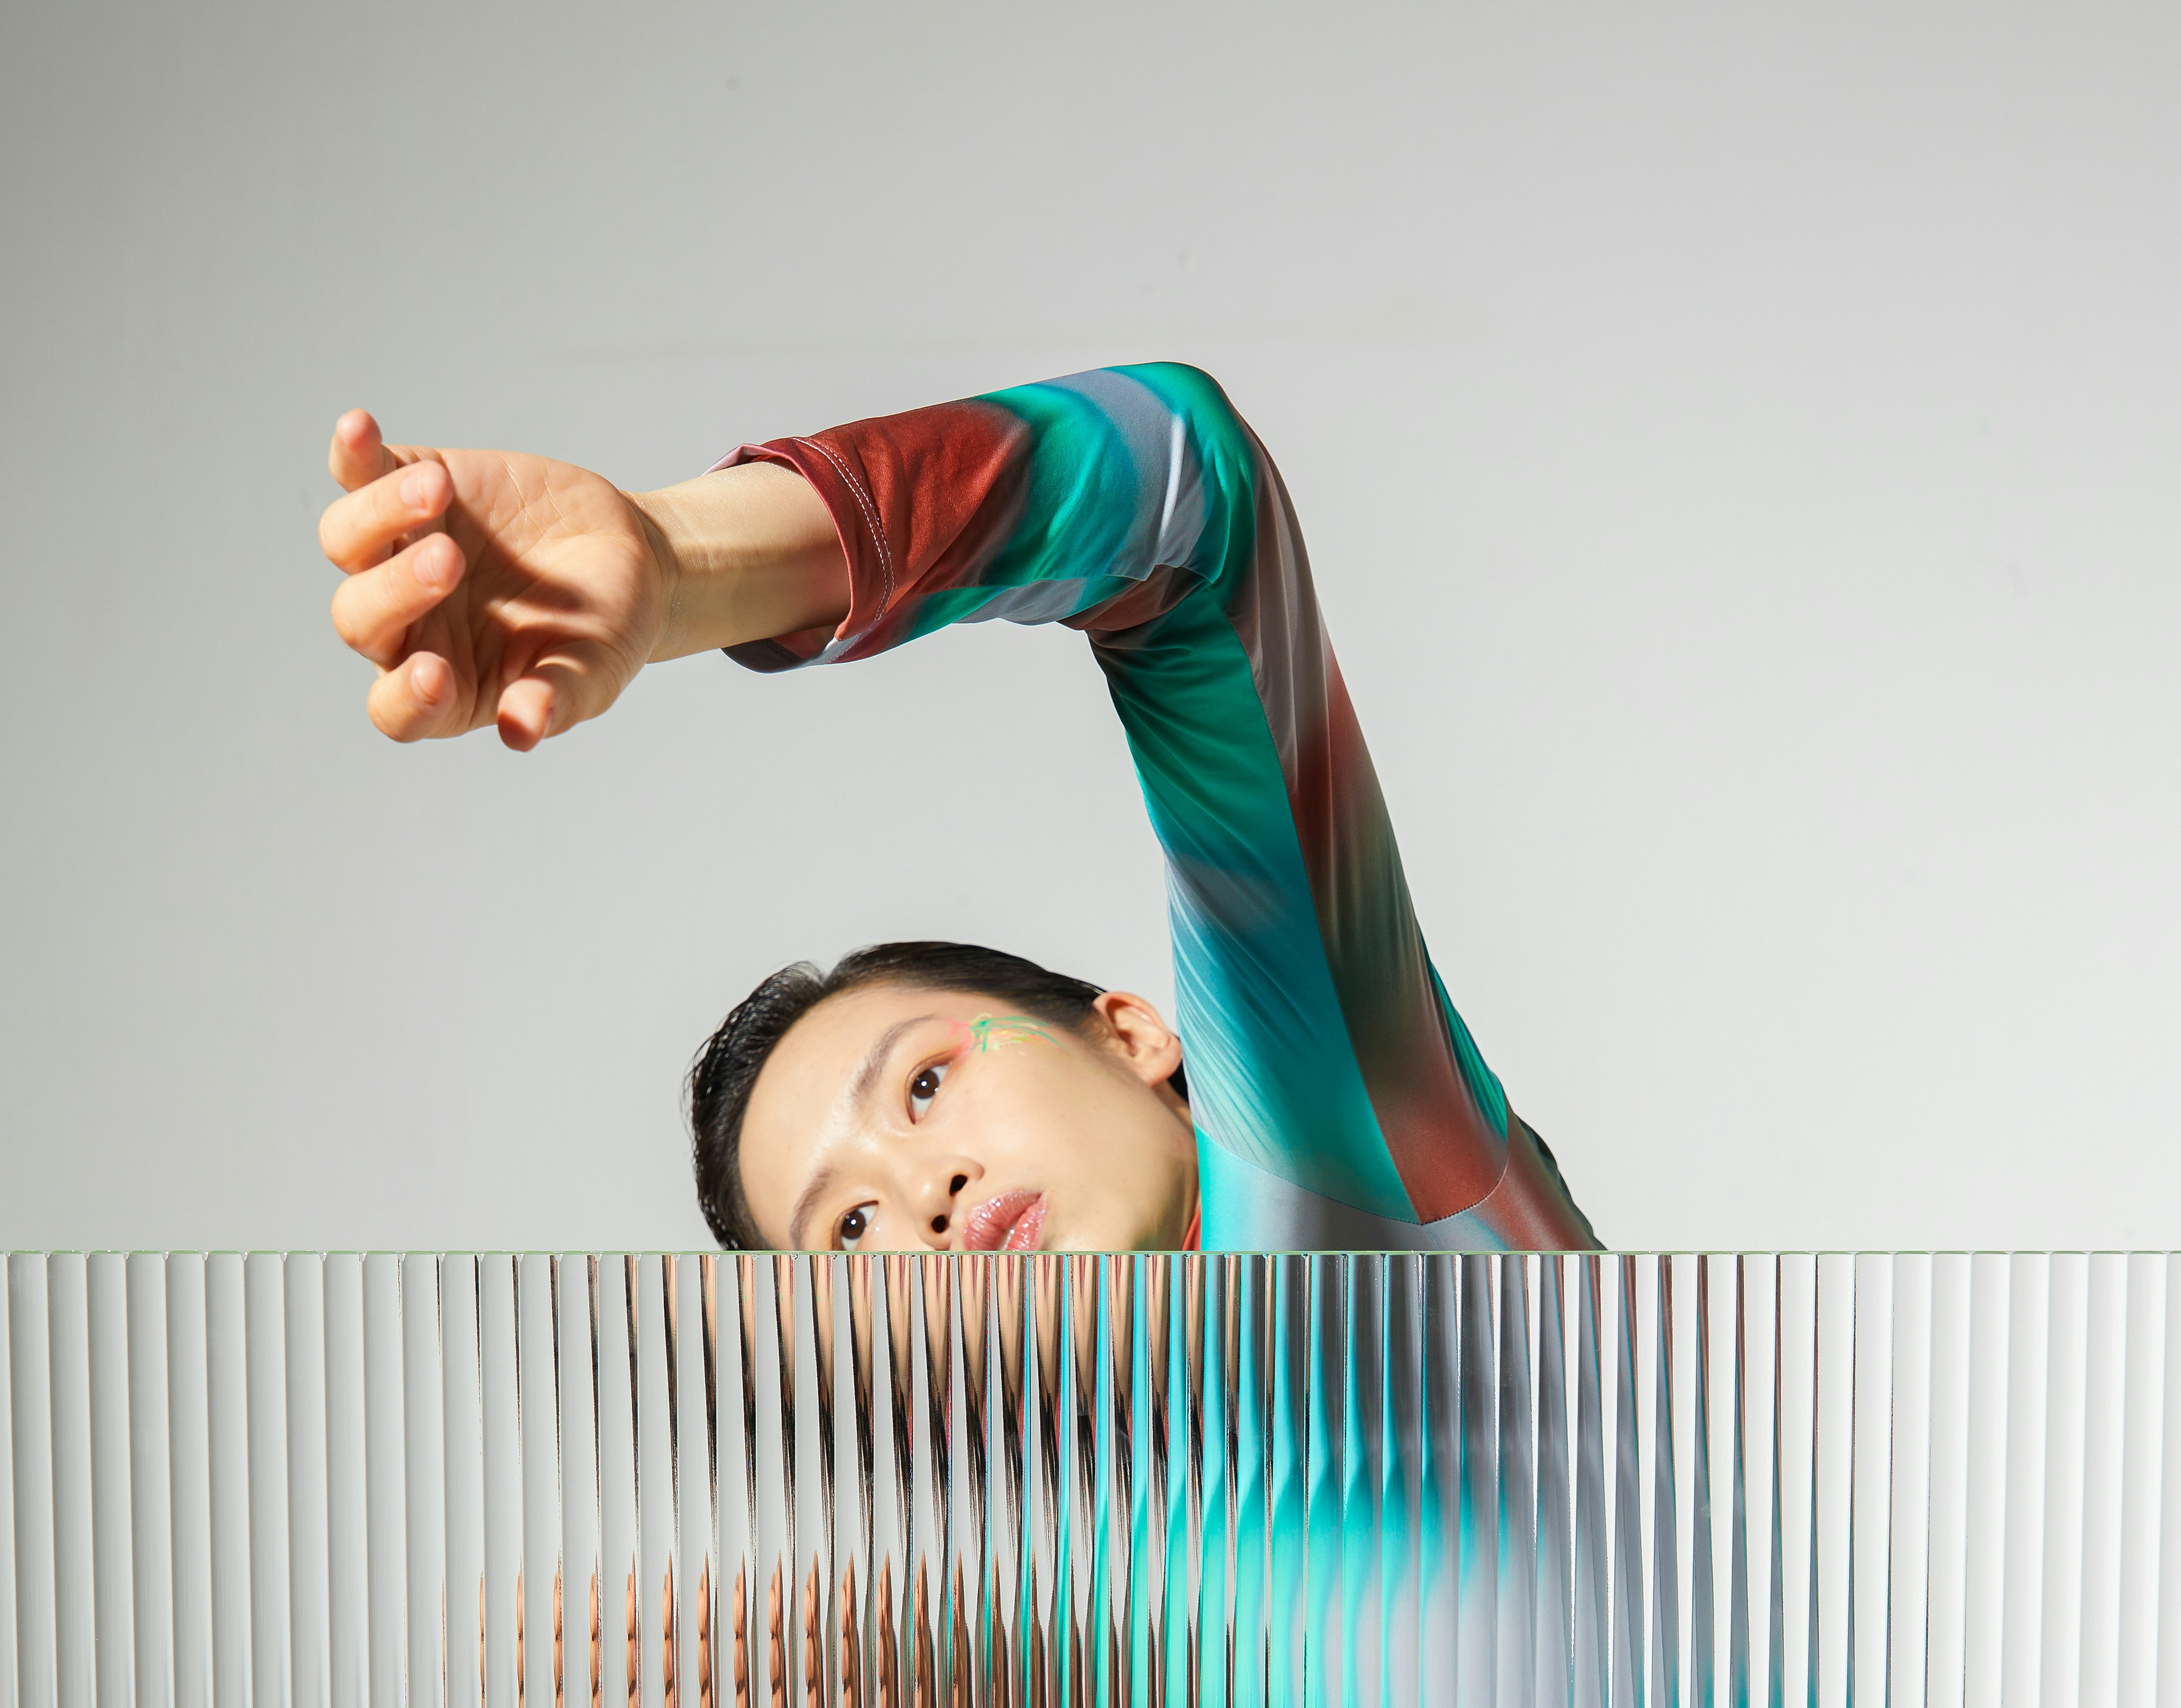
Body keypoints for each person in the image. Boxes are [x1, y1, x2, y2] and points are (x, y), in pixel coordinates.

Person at [320, 363, 1596, 1256]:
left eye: (927, 1083)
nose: (922, 1197)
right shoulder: (1057, 1602)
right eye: (851, 1230)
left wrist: (686, 563)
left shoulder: (1333, 1147)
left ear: (1132, 1034)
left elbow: (1191, 508)